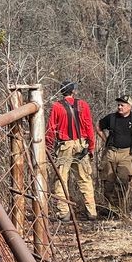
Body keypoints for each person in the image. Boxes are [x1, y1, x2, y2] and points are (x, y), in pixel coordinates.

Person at [45, 80, 97, 221]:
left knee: (61, 179)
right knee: (85, 179)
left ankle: (64, 213)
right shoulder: (83, 105)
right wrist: (91, 146)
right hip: (81, 145)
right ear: (73, 91)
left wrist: (49, 147)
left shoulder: (56, 106)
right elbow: (89, 128)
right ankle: (91, 211)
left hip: (64, 146)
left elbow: (51, 129)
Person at [97, 94, 132, 217]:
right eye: (118, 105)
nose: (119, 107)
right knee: (108, 182)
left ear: (129, 106)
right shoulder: (111, 118)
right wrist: (105, 141)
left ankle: (119, 209)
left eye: (122, 105)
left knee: (123, 181)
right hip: (110, 153)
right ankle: (110, 210)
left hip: (126, 154)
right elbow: (98, 126)